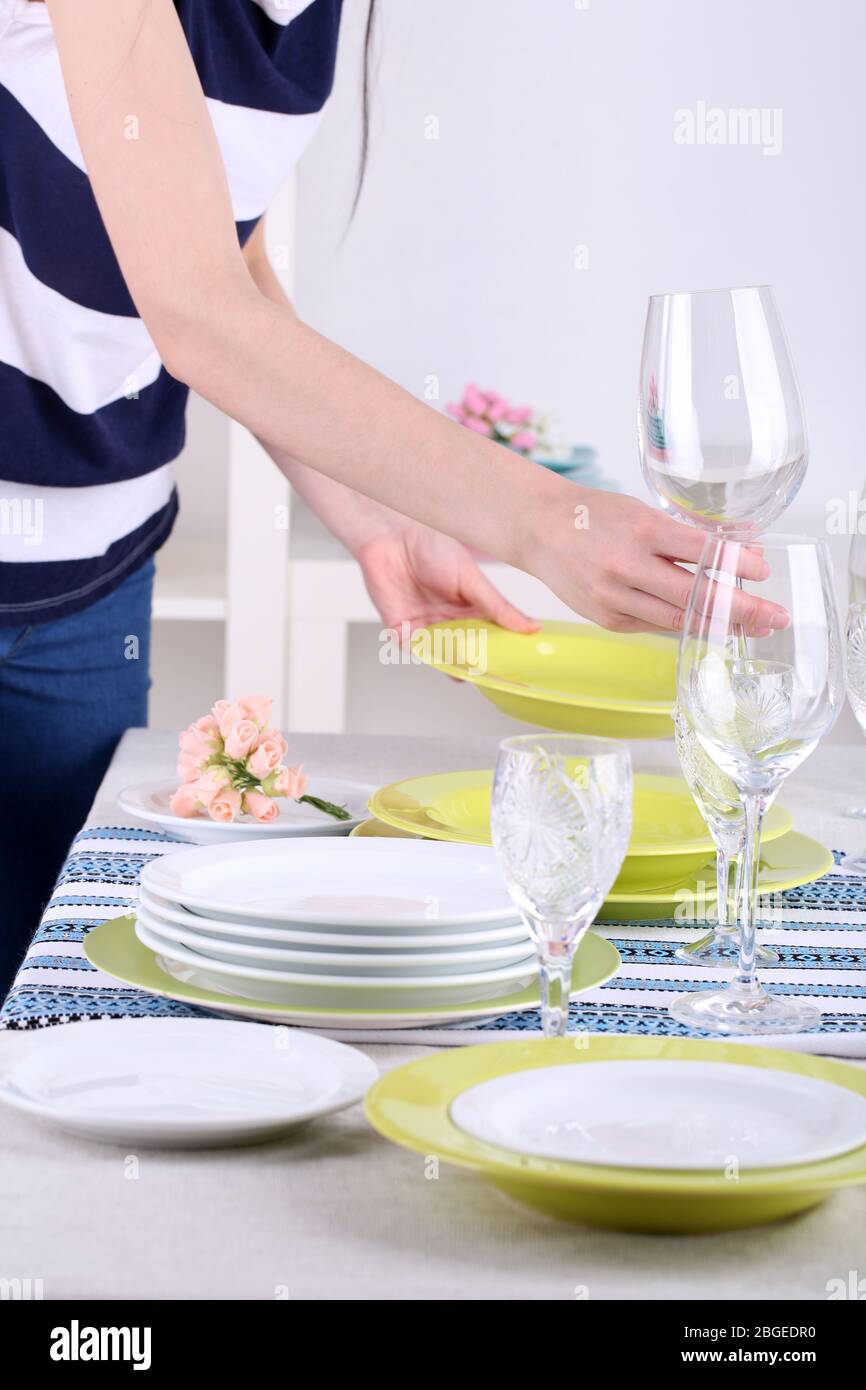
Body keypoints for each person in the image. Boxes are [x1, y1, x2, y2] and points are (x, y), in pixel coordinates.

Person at [0, 0, 782, 997]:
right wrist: (535, 517)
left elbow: (222, 255)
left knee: (60, 1015)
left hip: (96, 572)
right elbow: (194, 310)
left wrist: (368, 507)